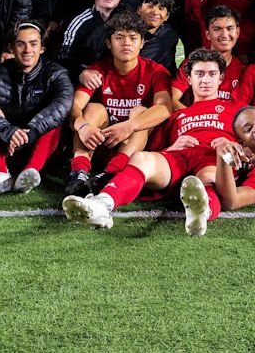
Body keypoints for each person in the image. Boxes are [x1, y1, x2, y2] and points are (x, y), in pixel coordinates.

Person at [62, 47, 244, 236]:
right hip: (178, 158)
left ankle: (202, 213)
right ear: (189, 79)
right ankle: (101, 205)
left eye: (212, 74)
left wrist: (234, 147)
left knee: (208, 177)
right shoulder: (175, 115)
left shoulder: (237, 110)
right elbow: (154, 147)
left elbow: (254, 142)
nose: (205, 80)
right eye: (199, 74)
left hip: (212, 159)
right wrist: (172, 148)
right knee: (141, 158)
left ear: (221, 78)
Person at [67, 11, 173, 197]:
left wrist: (129, 126)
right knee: (93, 109)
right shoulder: (97, 71)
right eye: (119, 37)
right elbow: (74, 106)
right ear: (109, 43)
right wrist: (83, 127)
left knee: (141, 111)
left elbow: (165, 108)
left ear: (142, 43)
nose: (126, 43)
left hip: (134, 147)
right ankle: (79, 171)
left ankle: (112, 172)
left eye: (133, 37)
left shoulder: (156, 71)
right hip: (102, 142)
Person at [0, 22, 73, 196]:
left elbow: (62, 106)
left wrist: (31, 132)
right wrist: (7, 131)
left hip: (44, 152)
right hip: (10, 146)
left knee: (55, 119)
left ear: (42, 48)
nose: (27, 50)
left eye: (33, 44)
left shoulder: (56, 73)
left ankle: (31, 171)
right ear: (11, 48)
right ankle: (1, 174)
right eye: (20, 44)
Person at [172, 6, 247, 107]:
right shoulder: (191, 64)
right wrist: (190, 116)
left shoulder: (244, 71)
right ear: (207, 34)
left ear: (237, 32)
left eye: (230, 28)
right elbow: (171, 99)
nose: (224, 35)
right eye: (217, 29)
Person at [57, 0, 123, 78]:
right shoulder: (79, 21)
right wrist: (81, 72)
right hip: (86, 77)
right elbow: (62, 56)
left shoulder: (125, 21)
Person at [136, 0, 180, 75]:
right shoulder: (127, 33)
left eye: (161, 8)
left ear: (167, 16)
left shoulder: (170, 35)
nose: (155, 12)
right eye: (150, 6)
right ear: (139, 10)